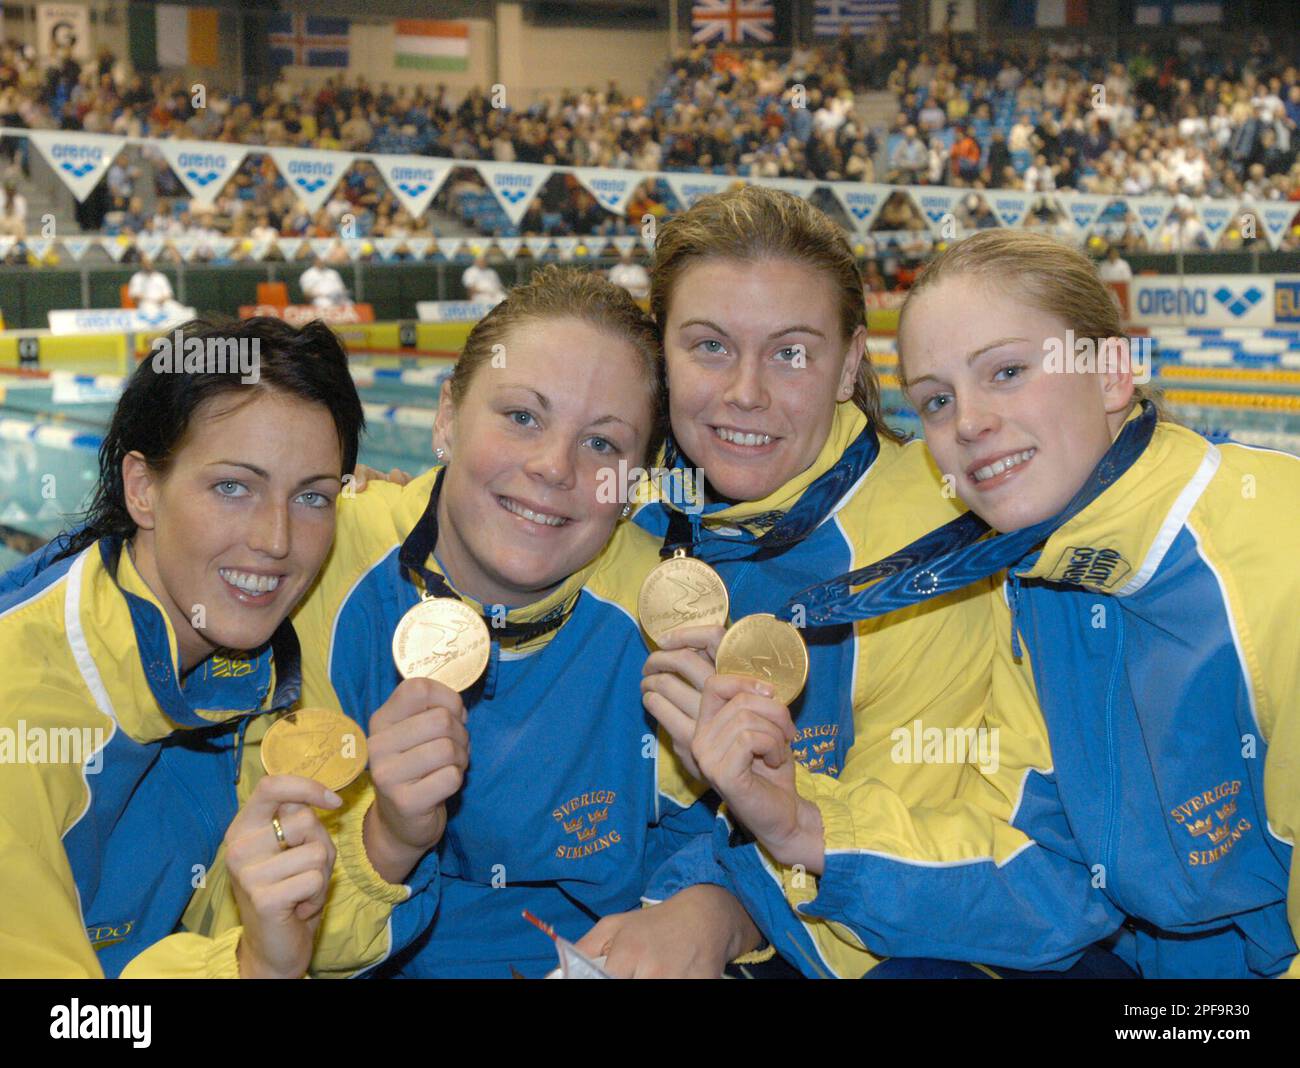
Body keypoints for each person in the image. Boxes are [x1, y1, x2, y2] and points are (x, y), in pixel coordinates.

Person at [681, 229, 1299, 979]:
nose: (967, 424)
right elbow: (1042, 877)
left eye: (1006, 371)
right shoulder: (1043, 587)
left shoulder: (1273, 553)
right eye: (936, 400)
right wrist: (799, 822)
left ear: (1111, 374)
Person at [284, 267, 742, 977]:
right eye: (522, 416)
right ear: (445, 418)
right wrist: (388, 837)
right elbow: (269, 917)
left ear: (634, 484)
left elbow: (739, 841)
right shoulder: (324, 568)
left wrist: (714, 905)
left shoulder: (668, 615)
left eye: (601, 445)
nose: (553, 467)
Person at [588, 186, 997, 978]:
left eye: (791, 352)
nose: (746, 392)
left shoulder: (933, 544)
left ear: (848, 365)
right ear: (660, 360)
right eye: (708, 345)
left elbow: (905, 868)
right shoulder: (609, 500)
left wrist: (718, 909)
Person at [0, 318, 451, 978]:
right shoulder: (24, 711)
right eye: (233, 487)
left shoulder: (249, 666)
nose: (276, 538)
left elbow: (271, 935)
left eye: (313, 497)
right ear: (143, 487)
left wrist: (392, 839)